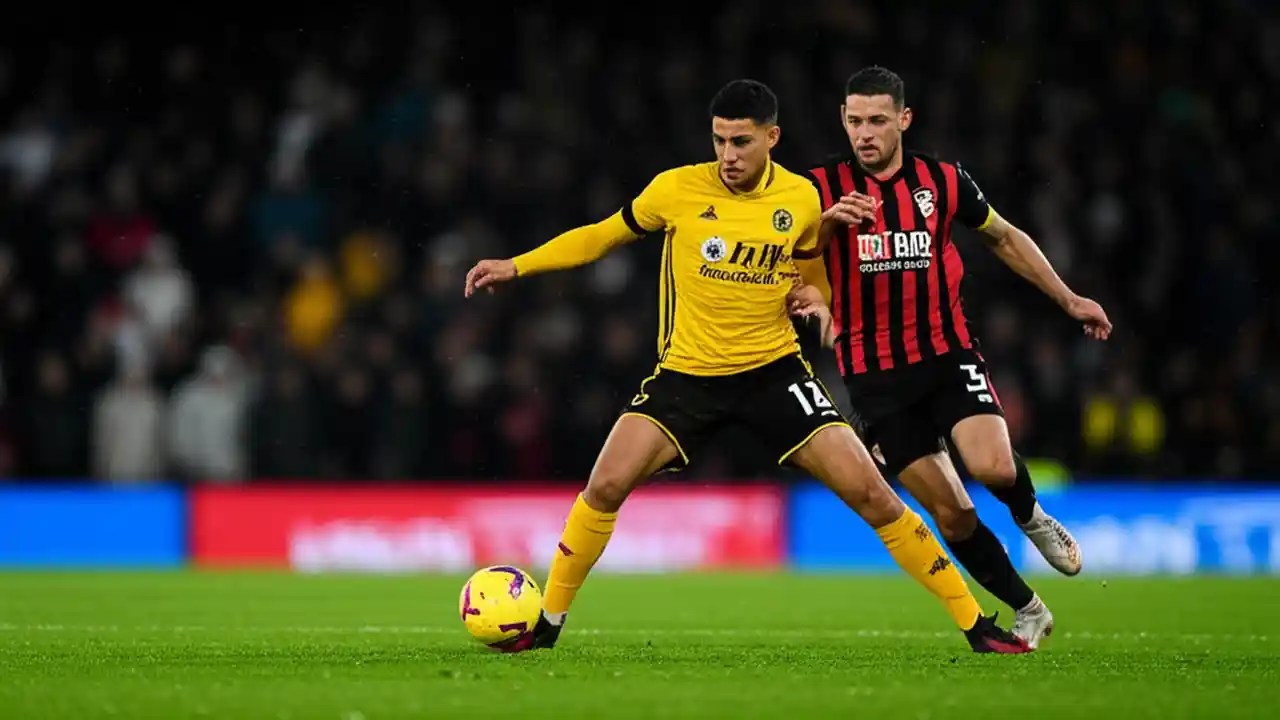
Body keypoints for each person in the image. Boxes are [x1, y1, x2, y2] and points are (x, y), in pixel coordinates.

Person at [464, 79, 1030, 654]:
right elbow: (601, 236)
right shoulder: (676, 190)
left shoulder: (801, 199)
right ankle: (549, 624)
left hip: (774, 374)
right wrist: (518, 266)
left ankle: (975, 625)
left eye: (740, 141)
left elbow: (811, 270)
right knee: (604, 484)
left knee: (875, 496)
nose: (728, 155)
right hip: (687, 375)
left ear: (771, 137)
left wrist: (816, 301)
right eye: (719, 141)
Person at [788, 66, 1113, 649]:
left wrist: (1068, 298)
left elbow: (1005, 237)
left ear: (903, 121)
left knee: (991, 466)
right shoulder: (815, 189)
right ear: (843, 119)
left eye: (878, 121)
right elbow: (788, 259)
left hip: (945, 352)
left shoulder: (941, 179)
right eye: (855, 120)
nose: (865, 133)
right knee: (954, 514)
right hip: (874, 375)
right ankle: (1028, 607)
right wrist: (826, 237)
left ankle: (1031, 515)